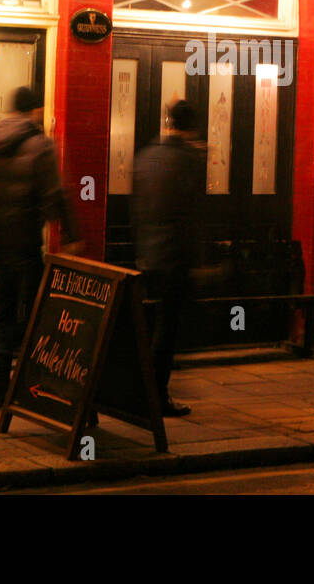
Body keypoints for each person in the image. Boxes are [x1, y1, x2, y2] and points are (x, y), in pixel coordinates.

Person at [0, 85, 79, 407]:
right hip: (25, 243)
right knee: (34, 315)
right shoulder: (41, 145)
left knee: (1, 314)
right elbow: (55, 194)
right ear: (35, 110)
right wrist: (70, 235)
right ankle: (33, 386)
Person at [133, 99, 205, 417]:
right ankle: (157, 396)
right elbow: (192, 213)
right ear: (191, 128)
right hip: (175, 257)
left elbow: (138, 208)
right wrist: (198, 258)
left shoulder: (147, 156)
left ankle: (139, 388)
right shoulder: (188, 159)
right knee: (167, 328)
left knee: (149, 326)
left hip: (149, 255)